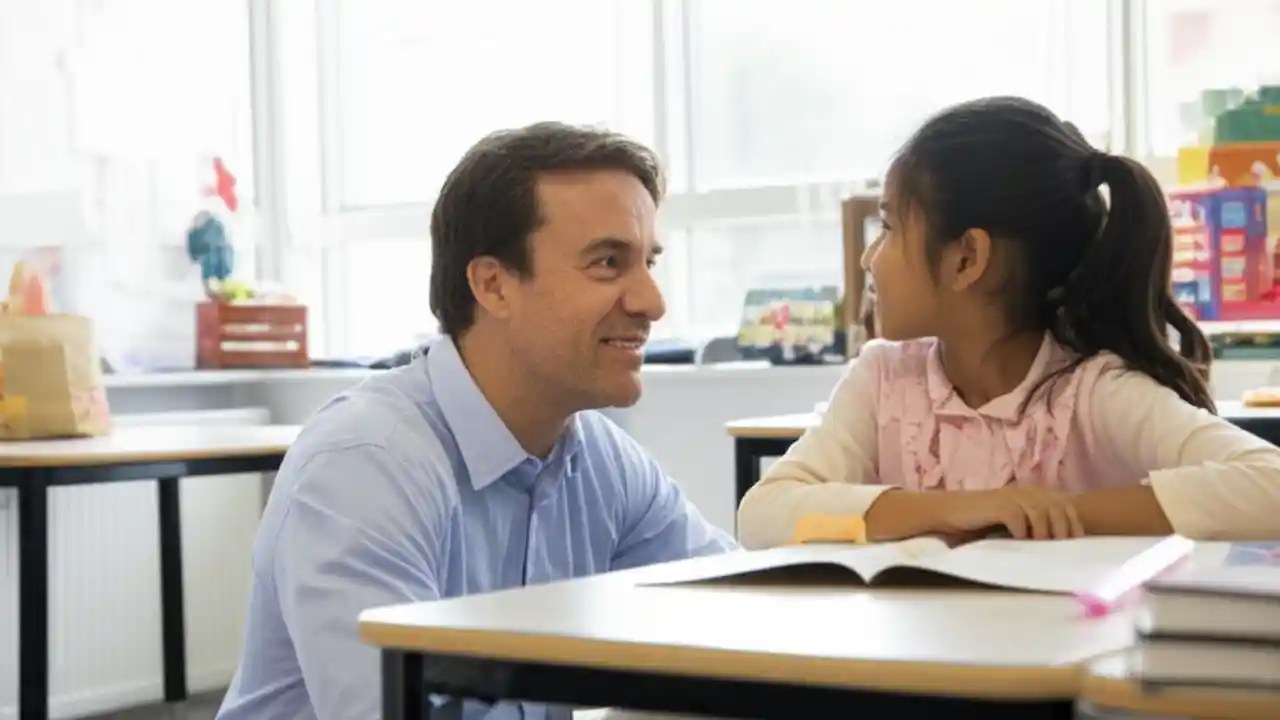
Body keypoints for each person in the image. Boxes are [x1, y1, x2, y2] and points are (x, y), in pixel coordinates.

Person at [217, 122, 736, 720]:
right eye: (607, 263)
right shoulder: (365, 465)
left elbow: (728, 609)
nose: (652, 301)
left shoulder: (599, 458)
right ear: (492, 285)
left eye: (648, 262)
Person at [738, 96, 1280, 550]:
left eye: (888, 226)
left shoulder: (1089, 393)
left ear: (967, 259)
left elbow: (1270, 485)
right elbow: (762, 516)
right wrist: (958, 510)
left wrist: (1057, 516)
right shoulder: (883, 380)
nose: (868, 259)